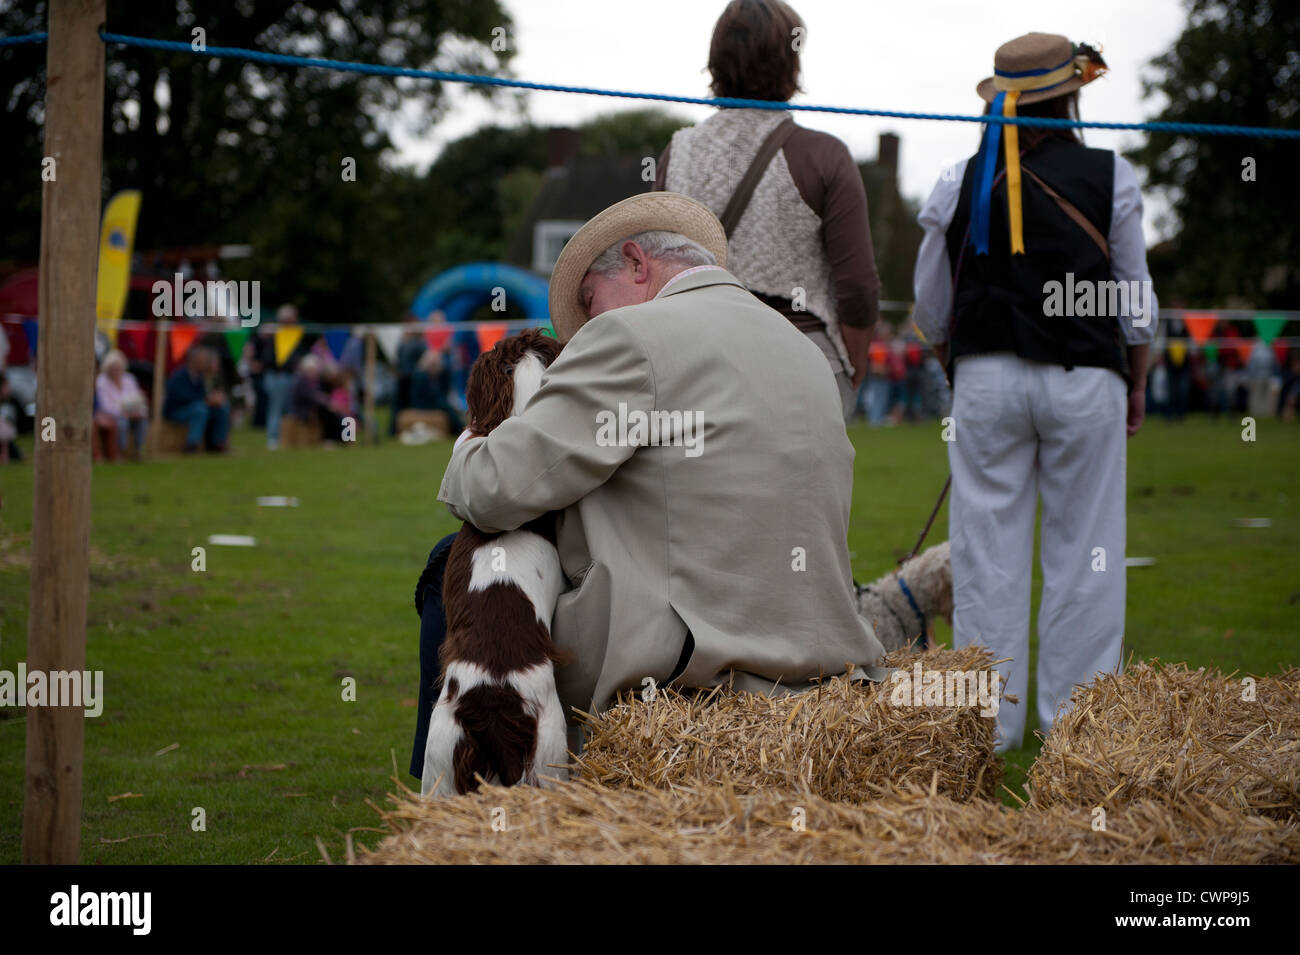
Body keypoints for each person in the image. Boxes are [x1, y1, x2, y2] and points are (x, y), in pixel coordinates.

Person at [410, 192, 889, 780]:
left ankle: (445, 807)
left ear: (637, 264)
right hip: (821, 673)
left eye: (589, 302)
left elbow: (490, 490)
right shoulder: (804, 349)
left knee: (456, 563)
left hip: (689, 670)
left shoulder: (632, 337)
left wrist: (471, 442)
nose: (585, 327)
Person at [911, 33, 1157, 752]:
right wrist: (1137, 378)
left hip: (988, 379)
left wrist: (960, 364)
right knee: (1086, 553)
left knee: (987, 554)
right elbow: (1136, 301)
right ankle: (1073, 732)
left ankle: (987, 729)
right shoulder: (1113, 176)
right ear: (1071, 95)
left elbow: (929, 309)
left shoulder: (958, 180)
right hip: (1087, 380)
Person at [652, 0, 880, 419]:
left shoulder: (675, 154)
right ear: (791, 65)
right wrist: (854, 365)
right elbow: (859, 289)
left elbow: (648, 267)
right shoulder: (824, 155)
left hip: (693, 367)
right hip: (800, 363)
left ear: (715, 62)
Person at [163, 345, 230, 453]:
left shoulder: (199, 377)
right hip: (176, 411)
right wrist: (206, 401)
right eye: (203, 361)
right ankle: (192, 444)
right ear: (194, 361)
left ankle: (217, 443)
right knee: (200, 410)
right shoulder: (179, 376)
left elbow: (203, 395)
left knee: (221, 407)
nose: (205, 364)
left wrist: (213, 399)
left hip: (196, 407)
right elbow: (180, 397)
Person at [95, 349, 149, 460]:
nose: (116, 370)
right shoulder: (101, 381)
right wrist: (124, 413)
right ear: (107, 368)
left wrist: (140, 412)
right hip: (112, 415)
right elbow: (106, 406)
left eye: (118, 367)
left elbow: (138, 399)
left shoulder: (130, 379)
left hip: (130, 413)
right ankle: (121, 451)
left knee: (143, 420)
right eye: (113, 367)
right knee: (122, 423)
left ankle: (139, 450)